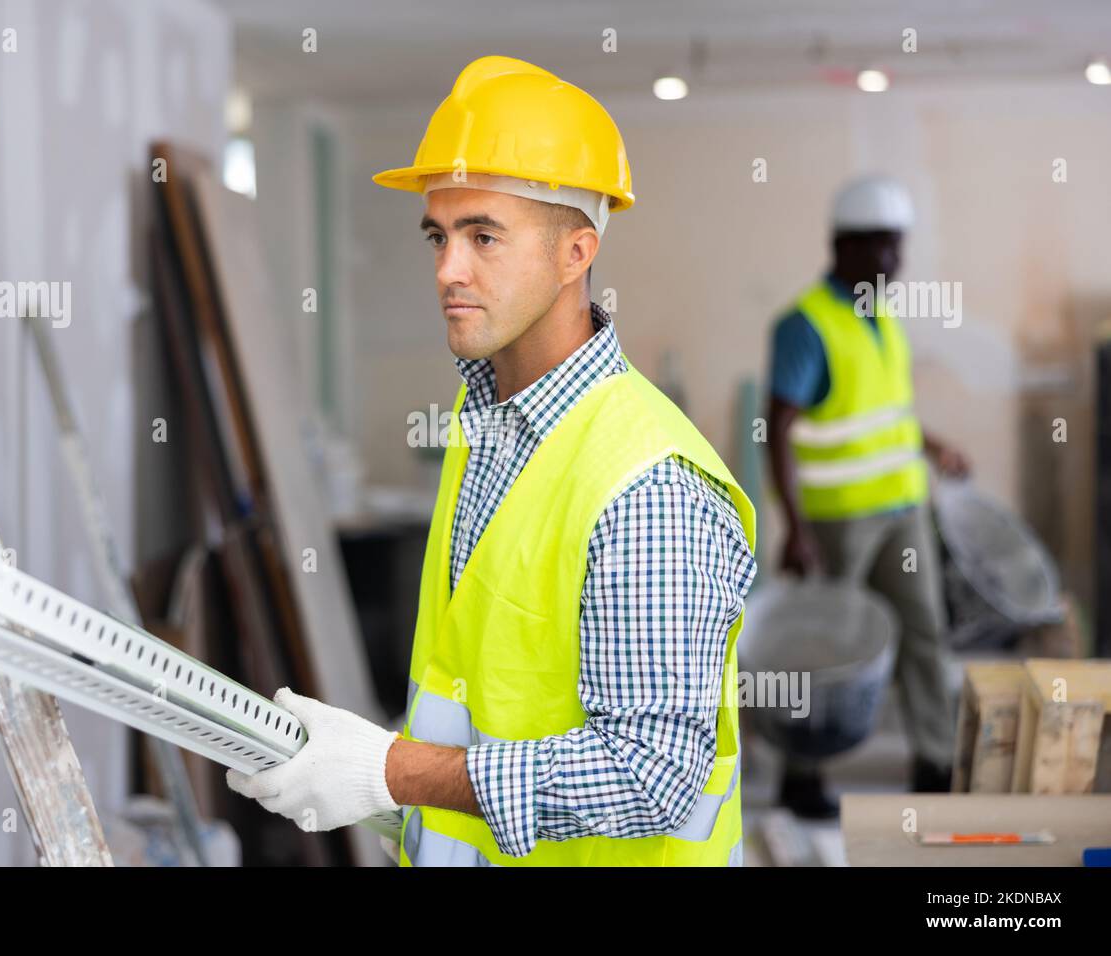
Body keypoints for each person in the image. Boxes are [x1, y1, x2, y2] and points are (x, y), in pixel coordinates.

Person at [228, 55, 756, 866]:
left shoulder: (648, 483)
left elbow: (654, 777)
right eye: (439, 236)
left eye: (484, 236)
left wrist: (389, 770)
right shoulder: (488, 424)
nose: (447, 270)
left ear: (576, 252)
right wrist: (370, 768)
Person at [765, 174, 969, 819]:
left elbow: (885, 412)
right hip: (838, 519)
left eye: (897, 248)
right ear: (843, 247)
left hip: (902, 508)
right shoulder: (807, 324)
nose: (893, 262)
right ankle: (803, 775)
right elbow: (778, 425)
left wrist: (931, 446)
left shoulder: (881, 318)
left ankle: (935, 765)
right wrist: (794, 527)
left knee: (925, 634)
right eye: (881, 247)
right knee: (826, 650)